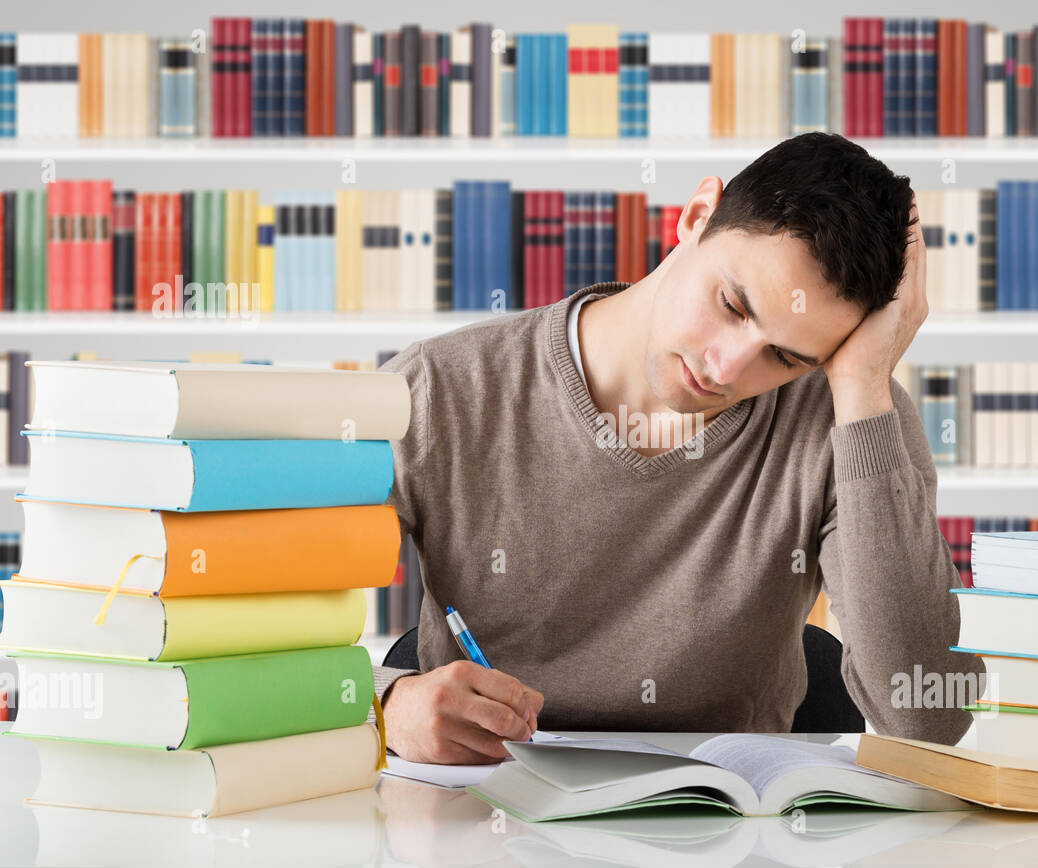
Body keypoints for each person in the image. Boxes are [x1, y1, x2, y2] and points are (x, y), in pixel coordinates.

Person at [373, 131, 983, 764]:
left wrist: (860, 386)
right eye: (732, 305)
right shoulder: (439, 389)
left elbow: (928, 721)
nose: (725, 368)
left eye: (785, 355)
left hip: (727, 823)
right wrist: (387, 705)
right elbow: (264, 630)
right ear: (694, 217)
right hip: (478, 813)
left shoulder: (854, 419)